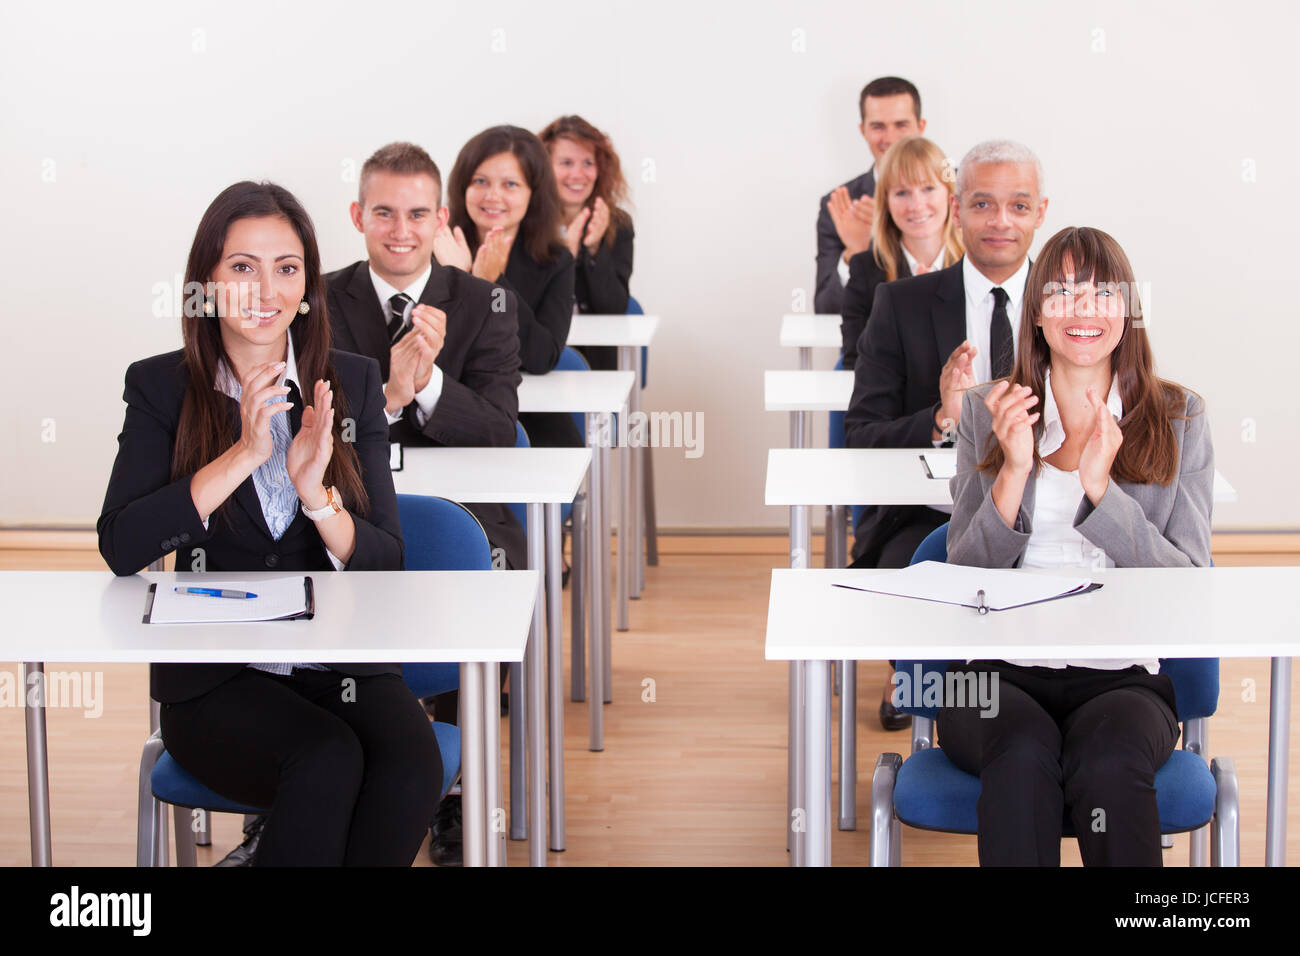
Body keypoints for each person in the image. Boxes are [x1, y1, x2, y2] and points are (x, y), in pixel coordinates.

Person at [97, 181, 439, 866]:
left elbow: (385, 560)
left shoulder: (353, 382)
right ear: (207, 282)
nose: (265, 289)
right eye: (241, 267)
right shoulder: (162, 387)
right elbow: (123, 546)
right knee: (324, 759)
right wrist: (245, 454)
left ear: (307, 282)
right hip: (218, 678)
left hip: (339, 663)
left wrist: (317, 496)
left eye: (286, 268)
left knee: (411, 767)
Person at [939, 226, 1212, 866]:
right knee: (1022, 757)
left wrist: (1102, 498)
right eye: (1061, 292)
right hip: (994, 675)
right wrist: (1011, 470)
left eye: (1100, 293)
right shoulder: (987, 411)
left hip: (1122, 680)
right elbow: (959, 579)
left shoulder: (1178, 418)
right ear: (1036, 312)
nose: (1082, 309)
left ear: (1127, 310)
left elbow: (1192, 586)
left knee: (1112, 763)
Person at [844, 139, 1048, 729]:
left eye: (1018, 205)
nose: (1000, 222)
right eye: (983, 204)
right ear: (958, 209)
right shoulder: (899, 303)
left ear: (1041, 212)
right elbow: (862, 435)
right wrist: (942, 417)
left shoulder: (1069, 305)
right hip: (930, 519)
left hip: (1051, 520)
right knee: (941, 629)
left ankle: (1009, 726)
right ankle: (948, 723)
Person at [442, 125, 579, 447]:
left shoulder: (555, 260)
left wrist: (490, 284)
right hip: (449, 420)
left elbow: (542, 357)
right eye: (480, 182)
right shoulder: (436, 246)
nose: (492, 196)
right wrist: (457, 278)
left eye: (510, 184)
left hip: (535, 423)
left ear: (533, 193)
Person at [840, 135, 963, 370]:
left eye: (928, 188)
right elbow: (855, 360)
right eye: (901, 193)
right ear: (885, 202)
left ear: (950, 196)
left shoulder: (975, 266)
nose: (916, 205)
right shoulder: (866, 270)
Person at [814, 76, 926, 315]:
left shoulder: (956, 191)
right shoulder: (839, 205)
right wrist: (856, 253)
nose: (890, 138)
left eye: (901, 125)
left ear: (921, 127)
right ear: (862, 130)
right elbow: (826, 307)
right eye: (878, 126)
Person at [540, 115, 634, 372]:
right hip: (537, 356)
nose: (577, 174)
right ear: (544, 167)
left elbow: (613, 308)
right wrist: (566, 256)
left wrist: (594, 249)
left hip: (595, 362)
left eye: (587, 163)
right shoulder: (526, 224)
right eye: (566, 162)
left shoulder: (617, 224)